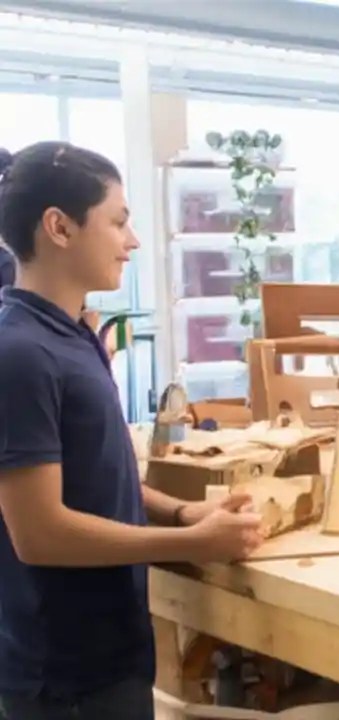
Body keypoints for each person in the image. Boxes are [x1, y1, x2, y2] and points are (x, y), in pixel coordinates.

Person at [0, 142, 265, 720]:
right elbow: (40, 533)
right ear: (59, 228)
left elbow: (98, 478)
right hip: (63, 680)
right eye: (118, 221)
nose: (133, 240)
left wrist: (180, 512)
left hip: (109, 657)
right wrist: (192, 545)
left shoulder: (71, 335)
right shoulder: (19, 352)